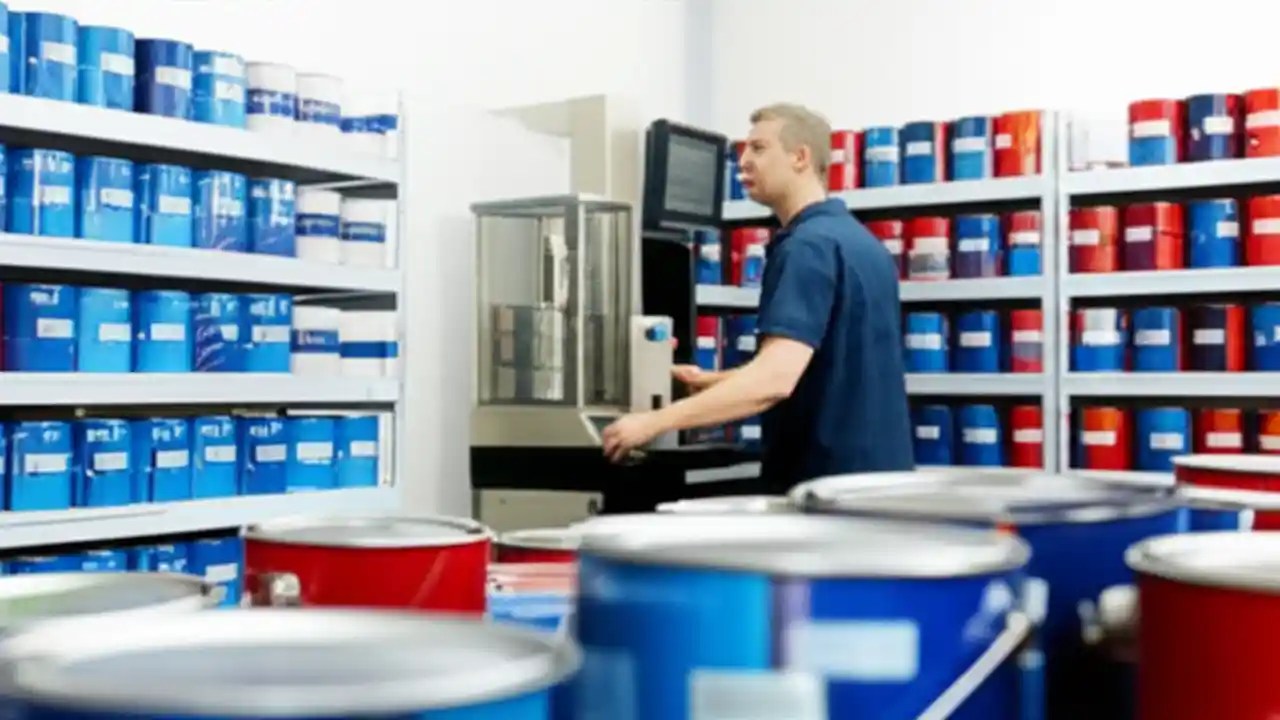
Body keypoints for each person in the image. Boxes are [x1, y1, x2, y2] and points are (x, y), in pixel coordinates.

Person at [602, 102, 914, 492]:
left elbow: (776, 380)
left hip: (828, 492)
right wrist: (715, 382)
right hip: (879, 486)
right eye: (743, 151)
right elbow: (821, 367)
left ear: (800, 157)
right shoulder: (862, 243)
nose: (744, 162)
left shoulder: (808, 246)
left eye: (759, 148)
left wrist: (652, 422)